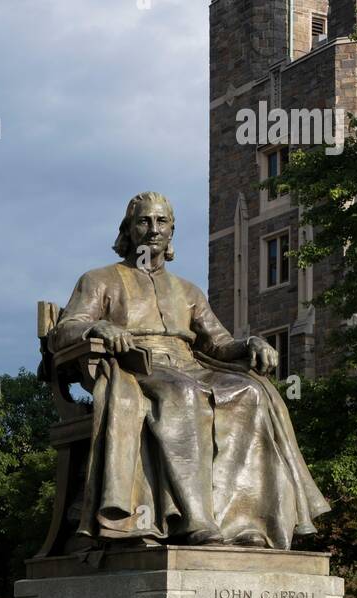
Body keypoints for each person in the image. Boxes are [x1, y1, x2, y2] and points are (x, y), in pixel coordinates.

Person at [50, 191, 329, 548]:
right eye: (144, 221)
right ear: (129, 229)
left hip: (191, 364)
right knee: (182, 395)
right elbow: (66, 329)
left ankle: (244, 524)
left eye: (161, 221)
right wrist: (96, 328)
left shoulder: (188, 290)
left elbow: (218, 343)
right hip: (137, 365)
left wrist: (249, 344)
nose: (153, 229)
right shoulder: (100, 279)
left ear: (172, 231)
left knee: (252, 393)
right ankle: (193, 521)